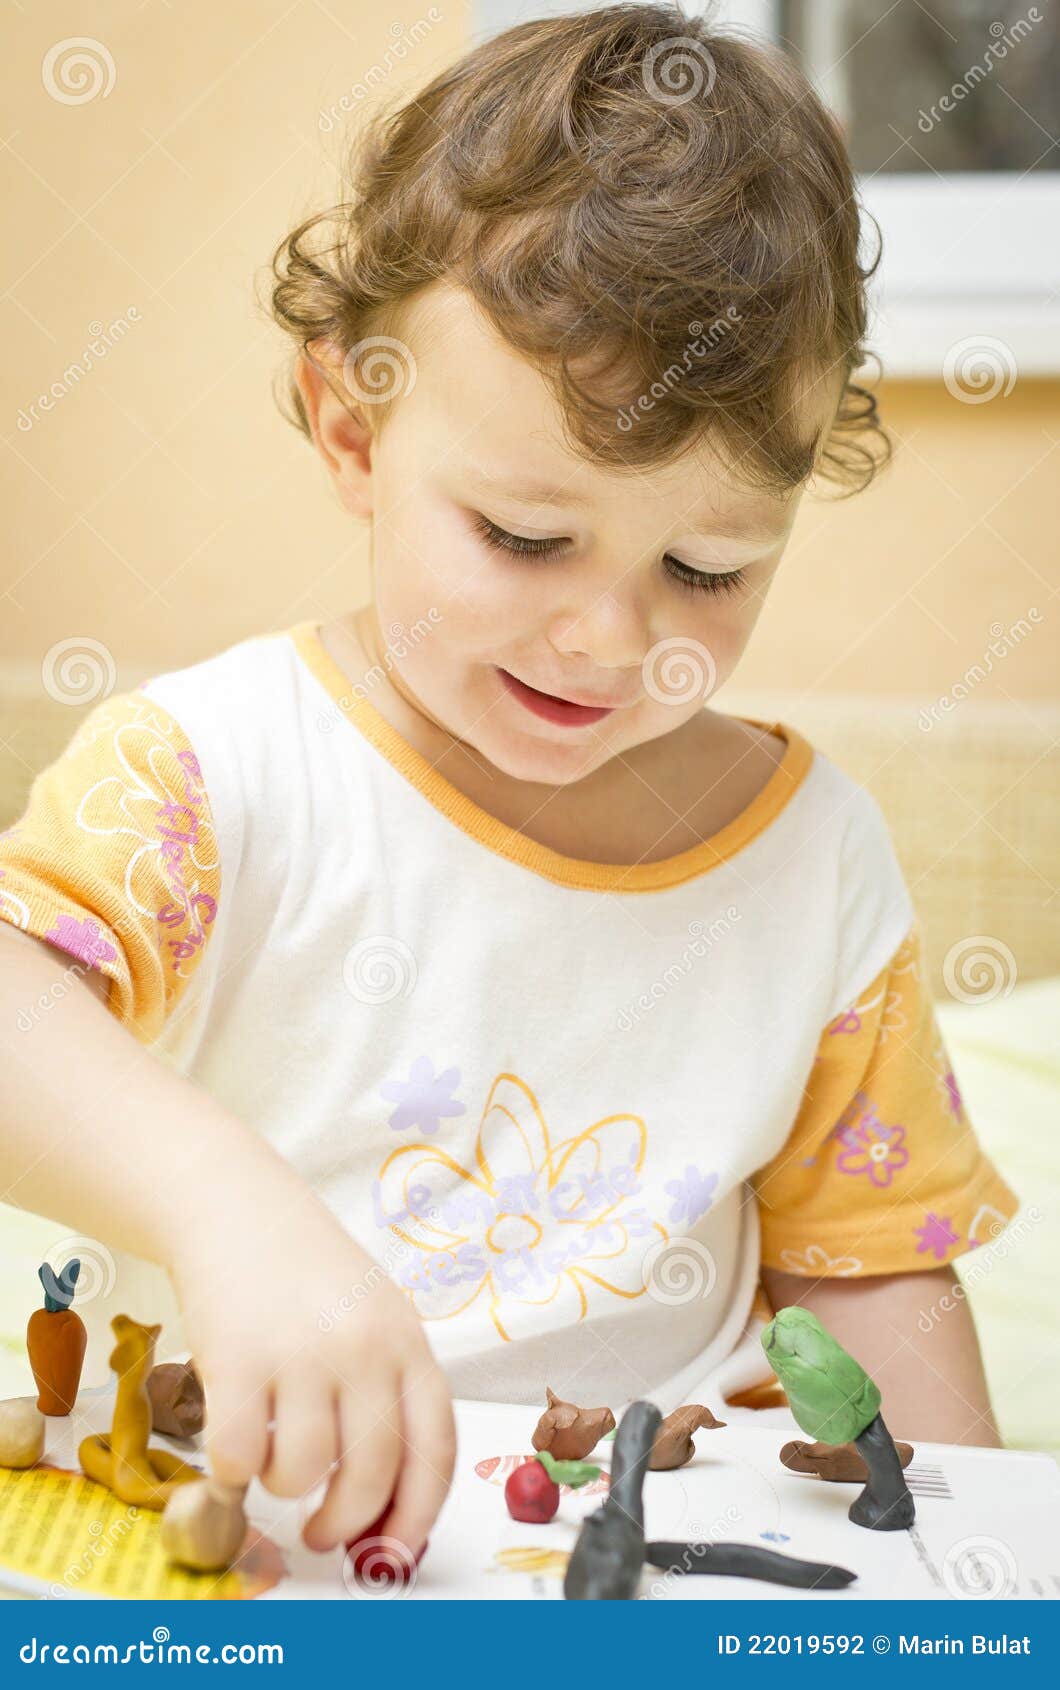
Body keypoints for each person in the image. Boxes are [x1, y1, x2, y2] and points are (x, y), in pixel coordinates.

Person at [0, 4, 1018, 1568]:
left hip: (653, 1562)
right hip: (235, 1544)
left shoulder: (812, 861)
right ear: (354, 425)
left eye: (705, 565)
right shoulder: (210, 772)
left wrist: (964, 1578)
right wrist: (226, 1202)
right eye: (524, 539)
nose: (611, 640)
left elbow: (875, 1275)